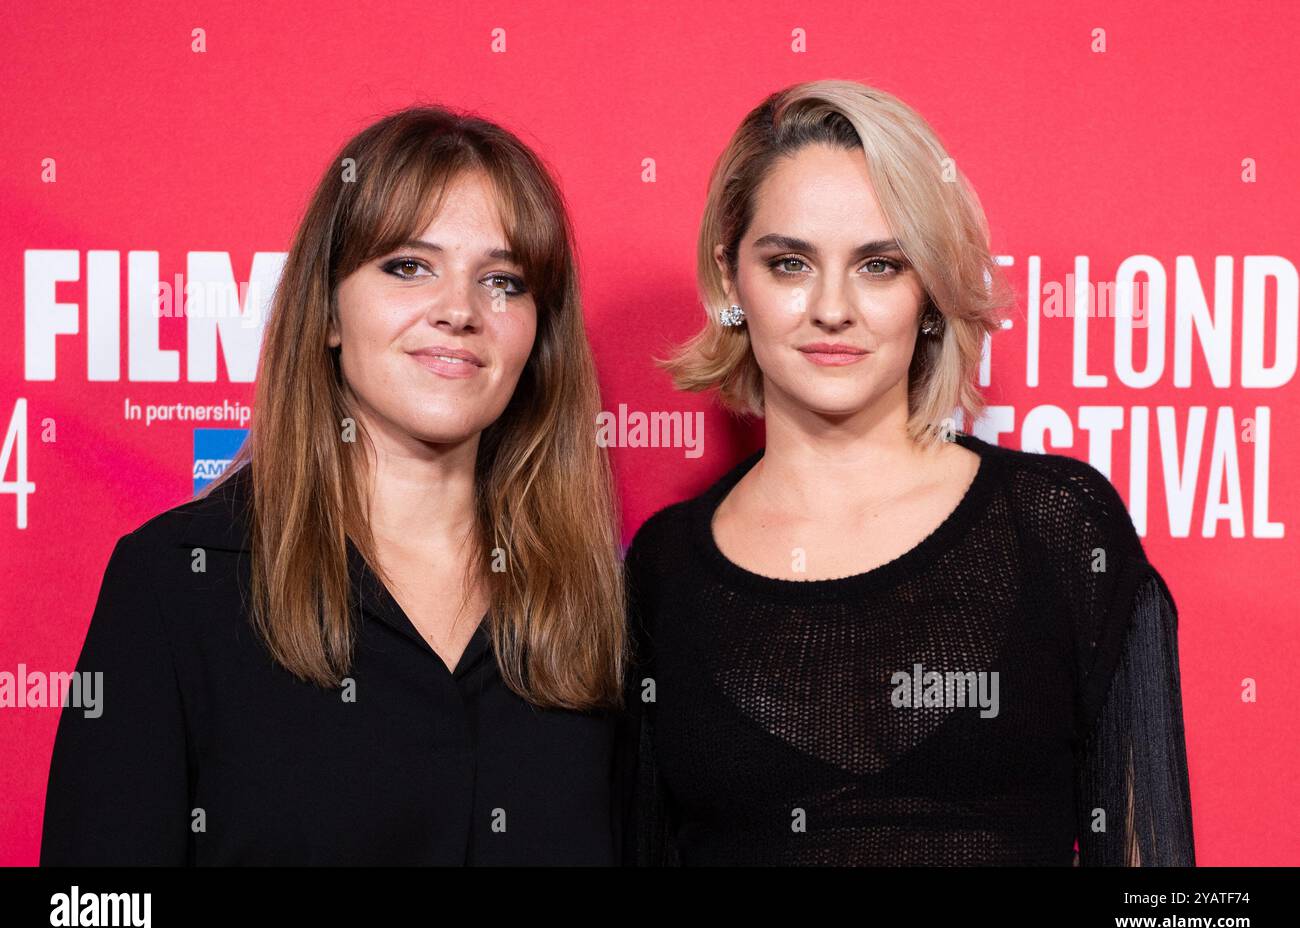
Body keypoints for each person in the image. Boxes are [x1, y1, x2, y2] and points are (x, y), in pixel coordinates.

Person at [619, 80, 1195, 866]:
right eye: (789, 262)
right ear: (731, 282)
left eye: (879, 266)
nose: (831, 308)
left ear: (928, 290)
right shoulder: (663, 571)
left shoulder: (1060, 529)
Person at [41, 105, 627, 865]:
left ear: (537, 337)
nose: (459, 311)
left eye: (503, 281)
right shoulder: (178, 586)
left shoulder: (593, 608)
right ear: (327, 313)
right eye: (408, 267)